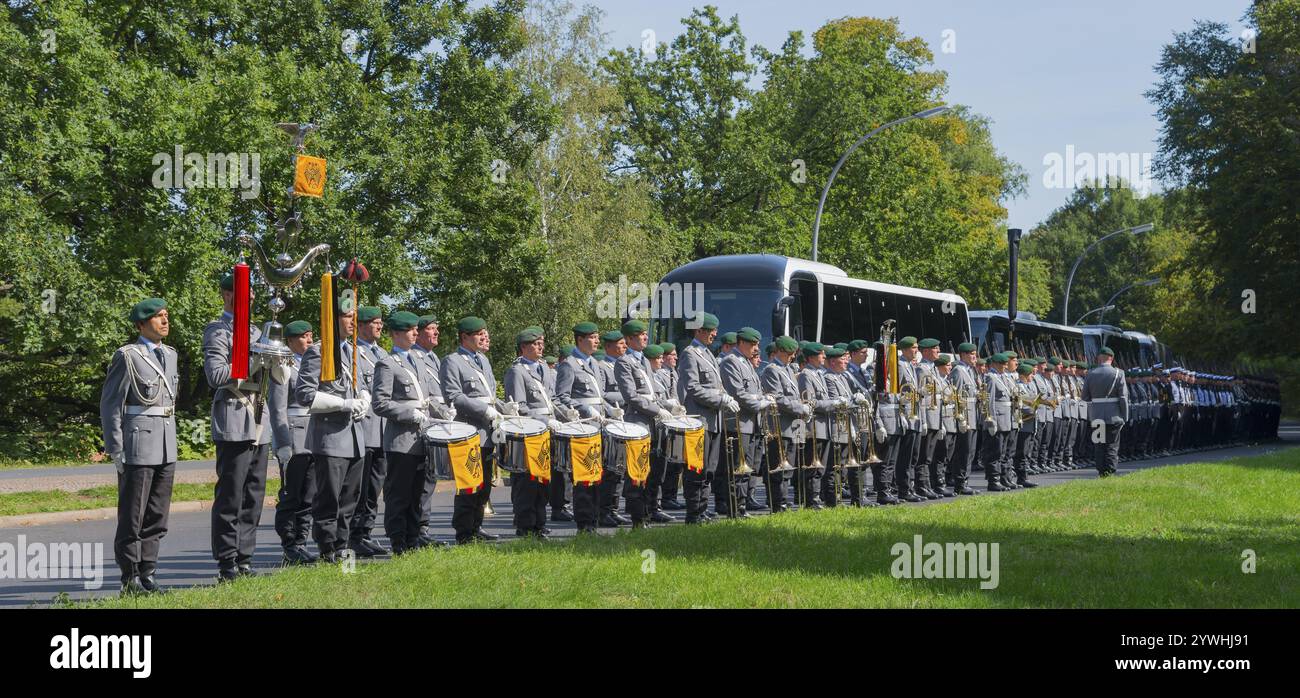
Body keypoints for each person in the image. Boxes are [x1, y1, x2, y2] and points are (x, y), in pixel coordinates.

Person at [101, 298, 178, 594]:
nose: (164, 321)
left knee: (158, 514)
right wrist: (115, 448)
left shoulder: (170, 355)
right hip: (137, 445)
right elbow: (111, 404)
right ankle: (129, 578)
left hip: (165, 444)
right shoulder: (128, 355)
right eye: (158, 317)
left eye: (166, 315)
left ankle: (149, 573)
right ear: (141, 324)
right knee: (133, 515)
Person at [203, 272, 275, 581]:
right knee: (231, 494)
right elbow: (216, 376)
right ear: (228, 295)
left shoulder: (259, 330)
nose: (253, 300)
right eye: (246, 294)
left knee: (254, 493)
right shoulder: (218, 331)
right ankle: (227, 562)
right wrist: (252, 363)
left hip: (260, 419)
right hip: (234, 414)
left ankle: (245, 558)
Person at [373, 311, 454, 554]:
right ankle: (398, 541)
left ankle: (413, 537)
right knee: (399, 493)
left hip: (422, 439)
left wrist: (443, 412)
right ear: (396, 334)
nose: (415, 333)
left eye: (416, 330)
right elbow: (380, 403)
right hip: (401, 440)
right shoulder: (387, 363)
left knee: (418, 490)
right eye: (410, 330)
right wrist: (409, 414)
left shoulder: (418, 361)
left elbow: (426, 399)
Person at [296, 306, 368, 564]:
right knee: (329, 500)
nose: (353, 321)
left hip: (356, 437)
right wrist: (344, 404)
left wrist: (364, 400)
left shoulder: (354, 351)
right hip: (331, 437)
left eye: (354, 316)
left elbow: (361, 387)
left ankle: (344, 552)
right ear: (333, 319)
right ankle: (328, 552)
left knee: (350, 500)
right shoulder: (318, 351)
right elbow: (304, 394)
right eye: (348, 316)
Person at [440, 316, 513, 544]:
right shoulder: (453, 361)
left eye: (485, 333)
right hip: (469, 431)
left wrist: (504, 406)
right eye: (480, 334)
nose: (485, 338)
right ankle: (464, 531)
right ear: (465, 337)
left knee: (484, 484)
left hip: (489, 432)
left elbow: (489, 396)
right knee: (470, 484)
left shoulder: (483, 361)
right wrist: (484, 410)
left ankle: (477, 525)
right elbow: (454, 396)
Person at [554, 322, 616, 533]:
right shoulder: (569, 365)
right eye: (593, 337)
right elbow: (561, 398)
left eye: (598, 337)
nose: (597, 341)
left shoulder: (595, 364)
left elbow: (600, 396)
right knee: (583, 477)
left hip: (598, 427)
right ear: (580, 340)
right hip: (582, 429)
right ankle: (584, 524)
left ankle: (594, 520)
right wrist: (585, 409)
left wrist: (611, 410)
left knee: (598, 475)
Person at [503, 326, 564, 538]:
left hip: (547, 430)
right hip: (529, 432)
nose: (541, 347)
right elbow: (519, 406)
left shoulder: (544, 368)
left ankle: (539, 523)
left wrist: (566, 414)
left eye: (541, 343)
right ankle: (525, 525)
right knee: (527, 483)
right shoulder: (517, 371)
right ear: (523, 347)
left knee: (543, 481)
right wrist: (543, 420)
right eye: (536, 344)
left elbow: (553, 399)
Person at [615, 325, 677, 528]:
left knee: (651, 472)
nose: (645, 338)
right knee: (637, 473)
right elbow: (632, 396)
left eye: (644, 335)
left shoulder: (644, 362)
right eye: (640, 335)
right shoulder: (624, 362)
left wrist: (667, 406)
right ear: (629, 339)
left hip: (653, 423)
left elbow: (652, 393)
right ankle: (637, 519)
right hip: (638, 422)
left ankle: (648, 513)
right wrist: (657, 410)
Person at [677, 312, 736, 524]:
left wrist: (723, 397)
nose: (714, 334)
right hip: (700, 420)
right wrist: (720, 400)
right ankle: (693, 514)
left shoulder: (707, 353)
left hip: (713, 420)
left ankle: (702, 510)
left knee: (709, 469)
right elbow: (692, 388)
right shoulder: (690, 354)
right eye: (711, 331)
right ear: (699, 331)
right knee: (696, 469)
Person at [270, 320, 318, 565]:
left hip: (313, 434)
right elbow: (277, 408)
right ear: (289, 341)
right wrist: (282, 443)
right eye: (303, 337)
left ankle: (301, 541)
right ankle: (289, 544)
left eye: (310, 336)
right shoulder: (282, 366)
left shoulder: (312, 364)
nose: (309, 341)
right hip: (294, 435)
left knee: (309, 494)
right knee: (292, 494)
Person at [348, 306, 389, 558]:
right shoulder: (353, 354)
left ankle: (366, 532)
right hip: (363, 430)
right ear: (361, 326)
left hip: (383, 430)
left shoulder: (383, 354)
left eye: (380, 323)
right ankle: (354, 535)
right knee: (359, 488)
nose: (379, 327)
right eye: (374, 323)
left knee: (374, 487)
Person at [718, 327, 770, 517]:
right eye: (752, 344)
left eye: (757, 344)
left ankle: (741, 506)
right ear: (740, 343)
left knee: (746, 468)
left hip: (751, 423)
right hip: (738, 423)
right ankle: (734, 508)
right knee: (736, 469)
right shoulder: (731, 362)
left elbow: (754, 390)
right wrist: (760, 403)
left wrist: (762, 398)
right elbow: (738, 393)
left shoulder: (746, 362)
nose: (756, 348)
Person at [597, 329, 631, 526]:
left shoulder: (624, 364)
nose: (624, 346)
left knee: (619, 468)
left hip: (623, 421)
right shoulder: (602, 367)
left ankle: (614, 508)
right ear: (608, 347)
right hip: (611, 421)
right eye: (620, 343)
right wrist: (625, 396)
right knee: (609, 469)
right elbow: (601, 395)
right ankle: (604, 510)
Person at [1082, 347, 1128, 477]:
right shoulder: (1119, 373)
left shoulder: (1091, 373)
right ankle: (1110, 470)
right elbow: (1123, 397)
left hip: (1096, 416)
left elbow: (1085, 397)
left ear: (1099, 358)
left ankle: (1101, 470)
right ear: (1111, 358)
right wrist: (1125, 416)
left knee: (1099, 444)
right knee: (1112, 445)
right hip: (1113, 416)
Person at [979, 353, 1015, 492]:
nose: (1005, 367)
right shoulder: (991, 378)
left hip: (1006, 419)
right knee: (994, 451)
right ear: (994, 364)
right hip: (997, 420)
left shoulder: (1003, 377)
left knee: (1002, 451)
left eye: (1006, 364)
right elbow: (988, 401)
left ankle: (1002, 478)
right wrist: (991, 421)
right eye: (1002, 364)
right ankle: (993, 480)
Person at [948, 343, 980, 494]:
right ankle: (960, 483)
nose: (975, 356)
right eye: (972, 354)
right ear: (964, 355)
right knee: (964, 451)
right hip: (965, 417)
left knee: (970, 451)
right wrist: (960, 418)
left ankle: (964, 480)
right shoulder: (959, 371)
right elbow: (957, 396)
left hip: (972, 415)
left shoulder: (970, 371)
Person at [657, 342, 684, 511]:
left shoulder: (674, 372)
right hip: (666, 420)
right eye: (672, 355)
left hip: (677, 420)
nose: (675, 358)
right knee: (666, 462)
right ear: (665, 356)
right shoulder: (659, 374)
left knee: (676, 461)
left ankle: (672, 495)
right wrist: (669, 404)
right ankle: (665, 496)